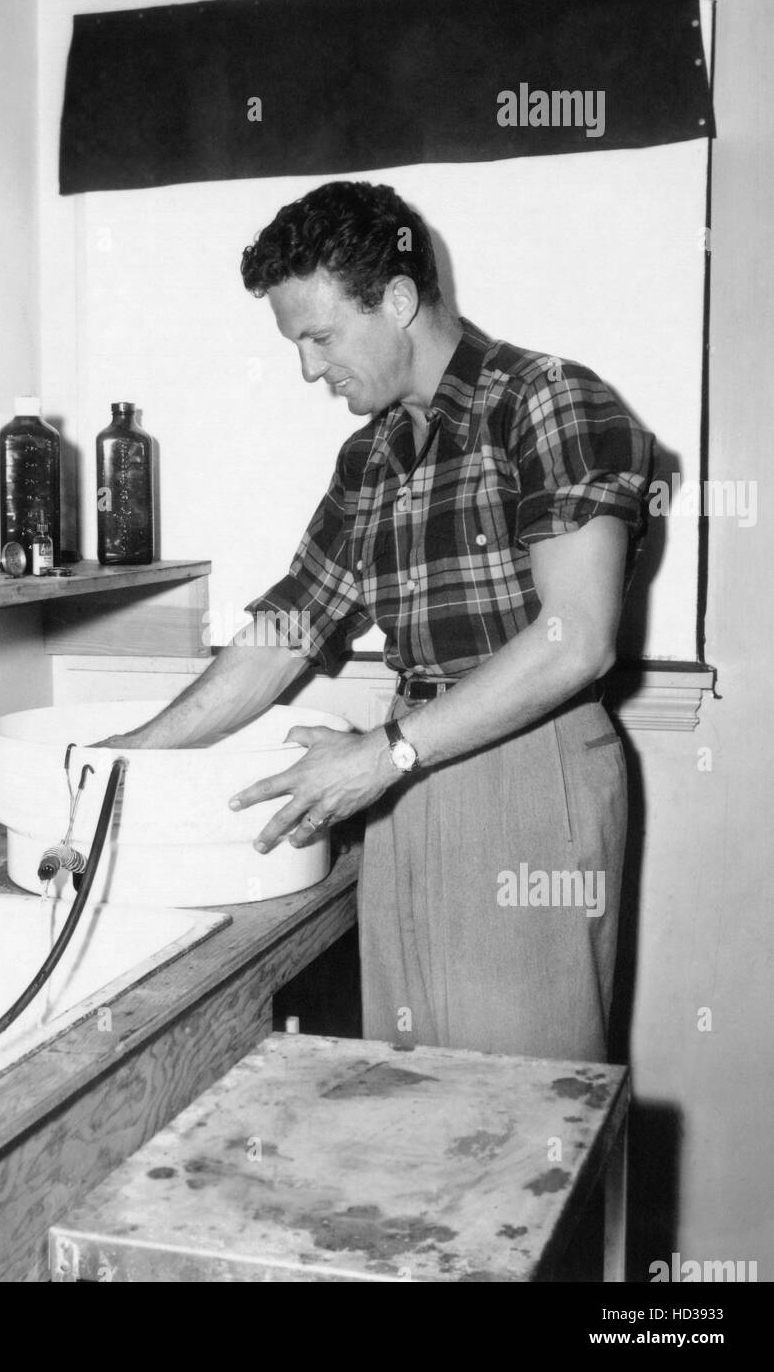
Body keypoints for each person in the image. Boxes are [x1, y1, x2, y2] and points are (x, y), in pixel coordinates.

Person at [104, 180, 653, 1064]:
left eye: (319, 337)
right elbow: (284, 632)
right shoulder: (371, 456)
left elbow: (576, 641)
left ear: (397, 300)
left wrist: (387, 751)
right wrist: (127, 754)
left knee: (513, 1116)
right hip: (403, 779)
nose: (309, 370)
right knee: (406, 1093)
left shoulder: (545, 400)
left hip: (527, 775)